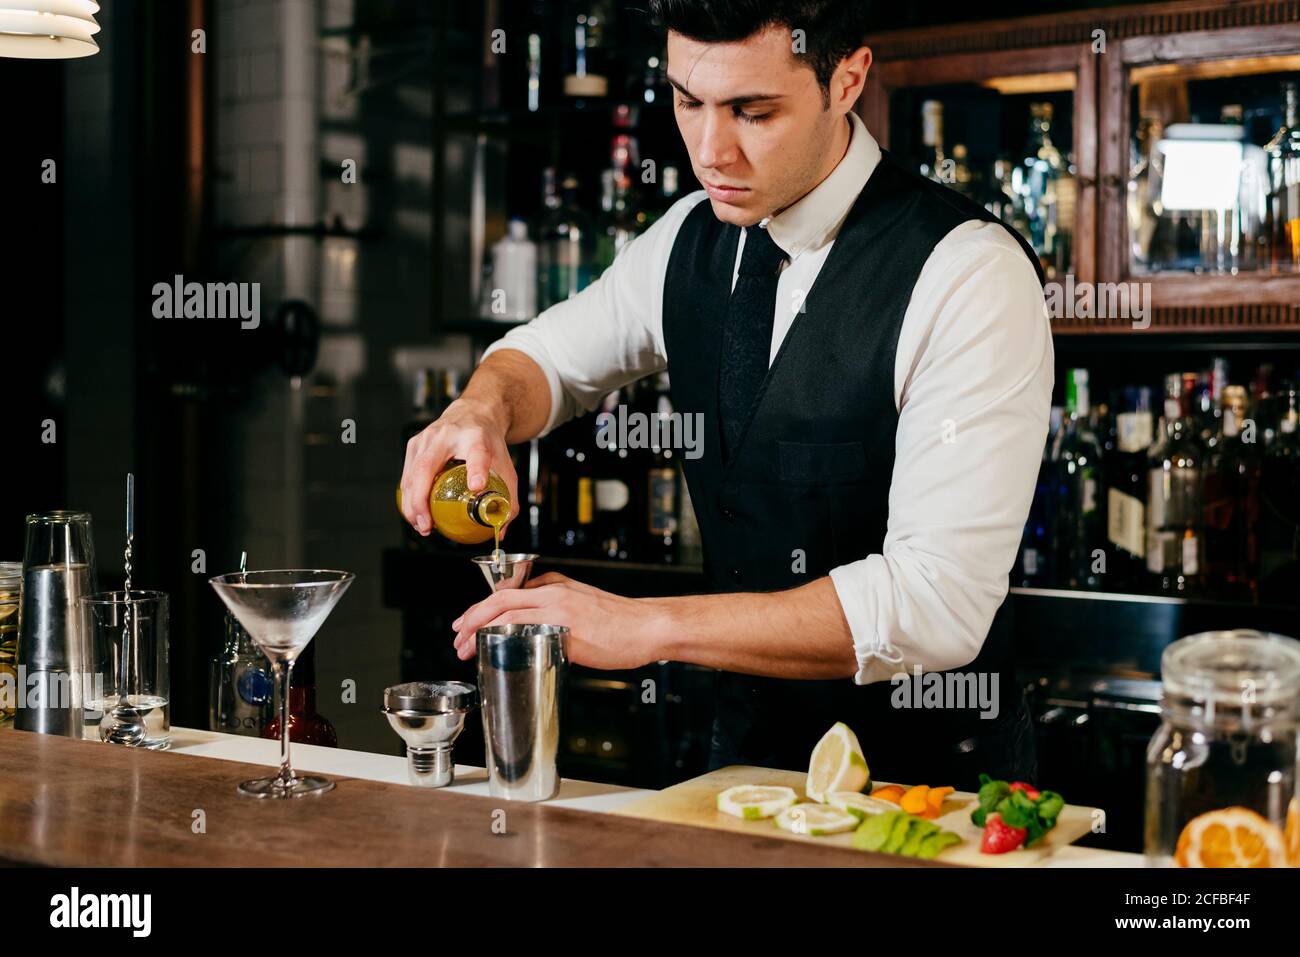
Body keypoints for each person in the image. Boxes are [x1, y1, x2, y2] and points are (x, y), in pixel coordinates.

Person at [398, 0, 1052, 788]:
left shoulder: (968, 272)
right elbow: (549, 359)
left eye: (753, 111)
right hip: (737, 773)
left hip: (926, 792)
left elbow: (934, 601)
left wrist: (645, 625)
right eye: (687, 101)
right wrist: (482, 408)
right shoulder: (686, 238)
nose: (711, 151)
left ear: (846, 81)